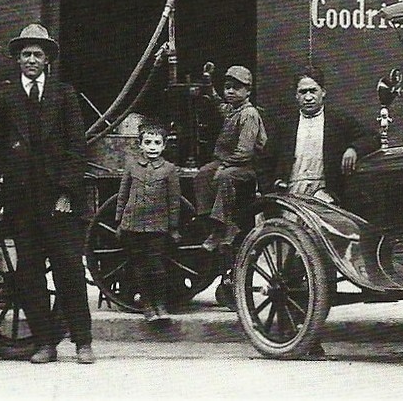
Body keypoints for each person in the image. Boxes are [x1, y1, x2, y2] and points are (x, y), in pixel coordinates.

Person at [0, 23, 95, 364]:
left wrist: (66, 192)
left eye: (38, 54)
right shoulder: (4, 96)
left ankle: (83, 343)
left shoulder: (64, 95)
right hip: (20, 201)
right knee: (28, 273)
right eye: (26, 54)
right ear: (18, 58)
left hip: (57, 200)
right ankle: (45, 343)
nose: (32, 59)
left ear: (47, 60)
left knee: (69, 270)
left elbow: (77, 147)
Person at [274, 66, 380, 204]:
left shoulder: (338, 120)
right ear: (296, 95)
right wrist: (276, 183)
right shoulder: (285, 124)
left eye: (313, 91)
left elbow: (373, 137)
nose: (308, 97)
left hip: (326, 194)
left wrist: (353, 149)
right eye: (302, 92)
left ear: (323, 92)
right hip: (291, 195)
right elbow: (265, 159)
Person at [115, 122, 182, 322]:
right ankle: (147, 306)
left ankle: (160, 305)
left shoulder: (169, 170)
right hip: (133, 225)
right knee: (139, 266)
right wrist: (119, 221)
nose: (152, 147)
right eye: (148, 142)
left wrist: (174, 227)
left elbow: (174, 200)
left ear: (164, 146)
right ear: (140, 145)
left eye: (157, 143)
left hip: (157, 227)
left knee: (157, 267)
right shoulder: (131, 167)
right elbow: (122, 195)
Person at [194, 65, 265, 253]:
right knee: (203, 174)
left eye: (237, 87)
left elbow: (245, 152)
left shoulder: (249, 114)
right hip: (231, 162)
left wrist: (224, 165)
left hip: (247, 166)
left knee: (225, 176)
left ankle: (225, 225)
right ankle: (210, 222)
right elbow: (218, 103)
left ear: (248, 91)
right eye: (228, 87)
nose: (230, 91)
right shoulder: (233, 110)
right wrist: (208, 81)